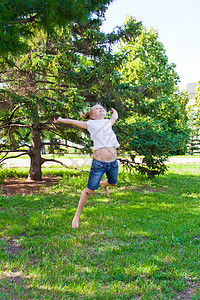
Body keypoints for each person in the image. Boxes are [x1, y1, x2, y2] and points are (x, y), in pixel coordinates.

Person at [53, 104, 120, 228]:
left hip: (113, 163)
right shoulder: (91, 124)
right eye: (97, 108)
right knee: (90, 190)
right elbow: (74, 122)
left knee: (114, 182)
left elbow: (114, 117)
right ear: (93, 116)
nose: (101, 108)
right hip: (99, 164)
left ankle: (104, 184)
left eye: (102, 108)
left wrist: (114, 112)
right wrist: (61, 119)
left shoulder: (107, 123)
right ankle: (77, 215)